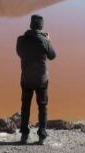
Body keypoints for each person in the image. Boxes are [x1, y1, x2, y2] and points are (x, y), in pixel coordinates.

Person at [16, 14, 57, 145]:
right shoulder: (44, 41)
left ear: (31, 24)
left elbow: (19, 53)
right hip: (41, 80)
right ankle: (42, 136)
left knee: (25, 106)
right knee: (42, 107)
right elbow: (53, 56)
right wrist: (48, 40)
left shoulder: (21, 39)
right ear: (41, 26)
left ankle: (24, 135)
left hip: (26, 78)